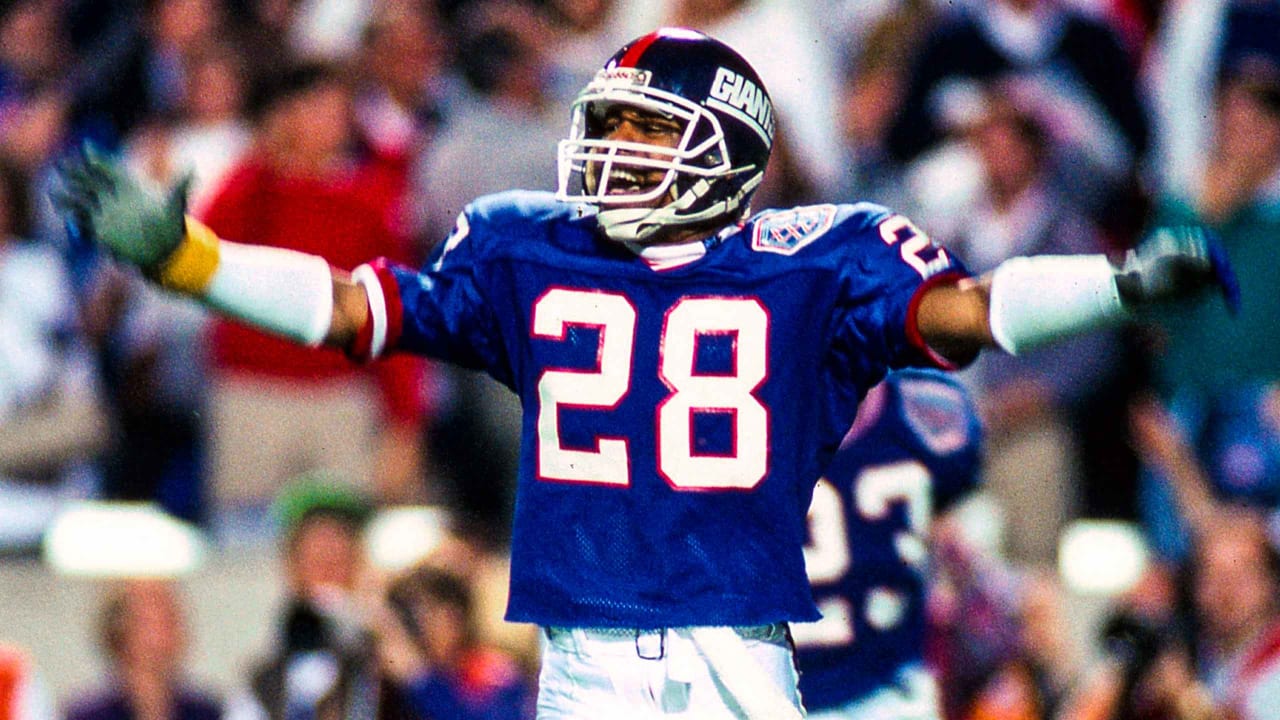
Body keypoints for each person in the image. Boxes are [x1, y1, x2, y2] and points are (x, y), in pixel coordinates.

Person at [55, 28, 1236, 719]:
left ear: (724, 154)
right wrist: (191, 258)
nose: (614, 152)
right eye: (609, 126)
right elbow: (359, 309)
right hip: (583, 649)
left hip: (741, 645)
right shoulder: (529, 243)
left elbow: (966, 311)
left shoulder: (810, 257)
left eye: (646, 133)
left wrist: (1120, 284)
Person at [794, 368, 982, 719]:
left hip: (892, 684)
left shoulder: (928, 412)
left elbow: (954, 531)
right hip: (770, 686)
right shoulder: (752, 418)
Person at [374, 561, 534, 720]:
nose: (418, 630)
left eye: (427, 615)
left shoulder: (493, 673)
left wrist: (419, 679)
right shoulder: (392, 678)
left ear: (454, 616)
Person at [65, 579, 223, 720]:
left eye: (171, 617)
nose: (168, 630)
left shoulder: (206, 711)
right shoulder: (89, 714)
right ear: (120, 629)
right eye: (151, 621)